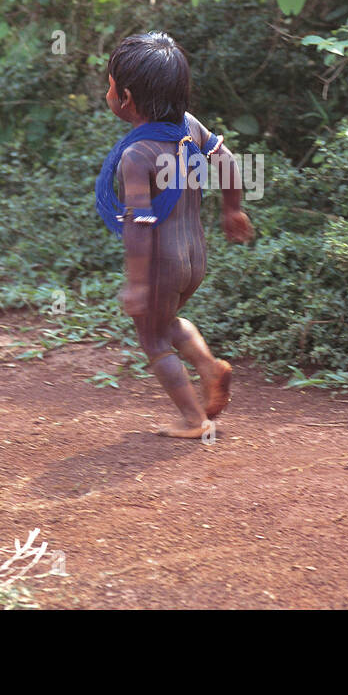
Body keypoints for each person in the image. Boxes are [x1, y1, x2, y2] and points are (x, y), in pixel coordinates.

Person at [95, 31, 254, 439]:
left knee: (152, 340)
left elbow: (139, 223)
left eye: (109, 85)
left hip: (162, 263)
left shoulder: (137, 155)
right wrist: (232, 209)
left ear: (125, 98)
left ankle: (193, 420)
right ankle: (210, 368)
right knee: (166, 322)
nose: (107, 92)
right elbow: (229, 160)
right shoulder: (189, 128)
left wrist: (136, 282)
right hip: (195, 256)